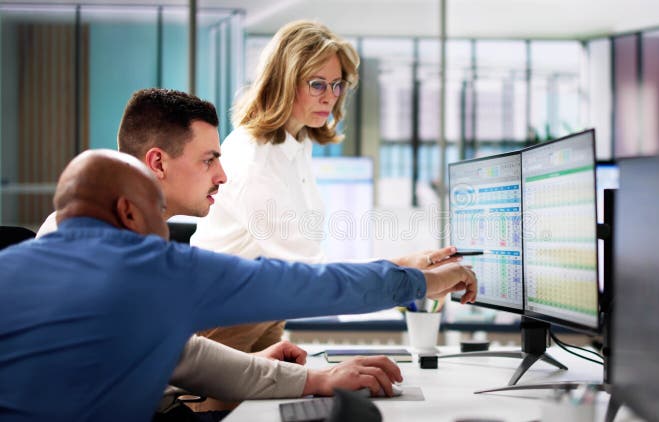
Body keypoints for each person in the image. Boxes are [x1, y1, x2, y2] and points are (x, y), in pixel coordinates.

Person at [0, 150, 477, 421]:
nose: (164, 232)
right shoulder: (153, 267)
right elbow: (314, 286)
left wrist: (309, 379)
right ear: (127, 212)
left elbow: (183, 358)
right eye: (158, 214)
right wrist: (424, 280)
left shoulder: (9, 267)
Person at [35, 88, 417, 418]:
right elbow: (187, 355)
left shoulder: (135, 235)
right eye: (208, 159)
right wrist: (314, 379)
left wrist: (262, 369)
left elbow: (178, 353)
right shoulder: (86, 238)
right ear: (158, 162)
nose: (222, 175)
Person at [191, 20, 457, 355]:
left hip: (262, 307)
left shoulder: (296, 141)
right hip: (223, 316)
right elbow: (314, 275)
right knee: (227, 409)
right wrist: (413, 275)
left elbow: (310, 257)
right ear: (284, 81)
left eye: (337, 85)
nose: (330, 97)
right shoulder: (254, 158)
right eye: (318, 85)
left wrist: (407, 263)